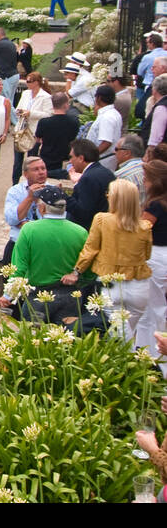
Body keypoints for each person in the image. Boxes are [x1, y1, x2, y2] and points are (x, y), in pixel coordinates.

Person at [0, 185, 91, 323]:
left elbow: (19, 269)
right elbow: (88, 268)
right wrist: (78, 279)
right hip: (70, 297)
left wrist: (7, 296)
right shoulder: (81, 232)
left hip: (37, 298)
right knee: (65, 340)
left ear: (42, 208)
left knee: (32, 339)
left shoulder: (29, 230)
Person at [75, 179, 153, 342]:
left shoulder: (102, 220)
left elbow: (90, 249)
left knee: (120, 337)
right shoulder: (145, 226)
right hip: (138, 285)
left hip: (110, 283)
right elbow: (146, 255)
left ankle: (131, 361)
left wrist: (77, 271)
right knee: (126, 333)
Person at [139, 160, 167, 363]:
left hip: (154, 256)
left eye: (146, 179)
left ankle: (151, 351)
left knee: (151, 307)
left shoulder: (155, 205)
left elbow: (141, 231)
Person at [3, 156, 48, 264]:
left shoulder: (53, 191)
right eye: (36, 169)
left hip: (44, 247)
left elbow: (53, 223)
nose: (41, 172)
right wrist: (29, 198)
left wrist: (26, 224)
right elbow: (12, 220)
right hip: (18, 244)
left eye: (43, 168)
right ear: (25, 174)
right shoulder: (15, 191)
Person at [12, 73, 53, 184]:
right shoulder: (25, 94)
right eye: (27, 81)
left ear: (37, 82)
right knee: (17, 162)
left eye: (29, 81)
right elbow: (19, 107)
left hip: (34, 132)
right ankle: (15, 184)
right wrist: (20, 112)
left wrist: (31, 113)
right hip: (21, 130)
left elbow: (48, 114)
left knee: (32, 161)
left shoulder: (45, 97)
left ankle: (31, 184)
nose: (27, 83)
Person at [67, 138, 115, 230]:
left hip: (88, 230)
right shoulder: (106, 172)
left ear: (81, 158)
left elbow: (83, 212)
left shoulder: (88, 178)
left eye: (71, 157)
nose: (70, 161)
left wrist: (63, 197)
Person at [35, 91, 79, 176]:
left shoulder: (44, 122)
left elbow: (38, 138)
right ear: (66, 105)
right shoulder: (74, 122)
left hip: (46, 158)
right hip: (64, 159)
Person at [89, 84, 124, 172]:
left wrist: (90, 157)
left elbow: (106, 142)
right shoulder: (113, 113)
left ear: (99, 98)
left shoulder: (107, 117)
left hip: (102, 162)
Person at [113, 134, 146, 203]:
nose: (114, 152)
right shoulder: (150, 170)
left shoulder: (120, 175)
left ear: (127, 153)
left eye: (116, 149)